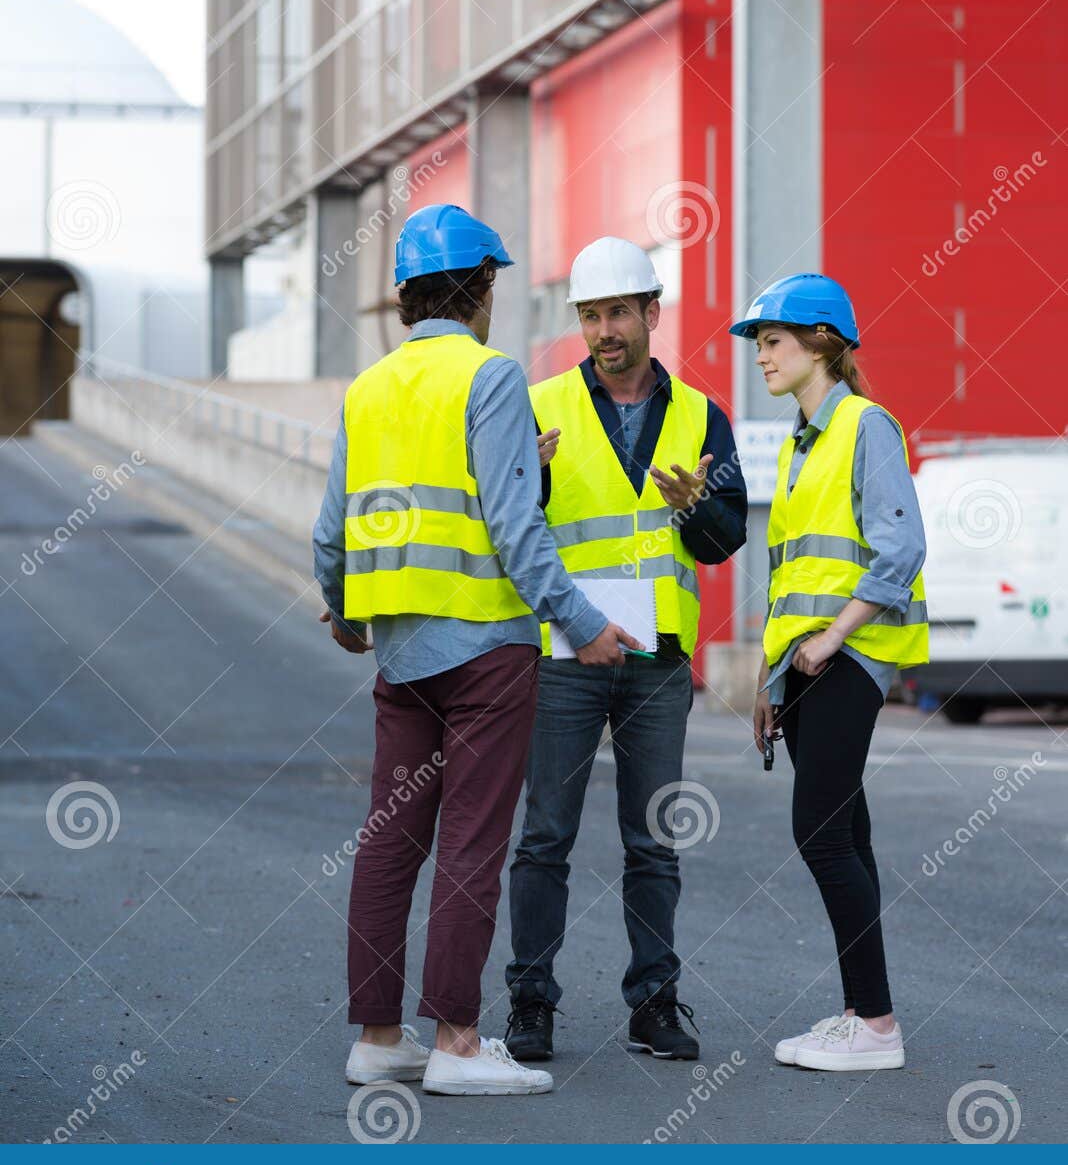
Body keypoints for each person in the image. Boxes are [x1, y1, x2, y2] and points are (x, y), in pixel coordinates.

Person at [313, 204, 641, 1098]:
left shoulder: (369, 387)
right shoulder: (490, 377)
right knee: (471, 841)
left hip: (400, 655)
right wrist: (581, 622)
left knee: (390, 842)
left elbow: (330, 529)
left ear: (409, 297)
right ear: (483, 288)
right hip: (488, 652)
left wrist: (343, 610)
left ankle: (381, 1038)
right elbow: (513, 528)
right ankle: (457, 1043)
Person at [505, 237, 747, 1063]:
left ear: (652, 312)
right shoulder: (536, 409)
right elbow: (510, 531)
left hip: (656, 659)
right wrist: (524, 483)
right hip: (568, 652)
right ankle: (530, 1003)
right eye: (589, 316)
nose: (603, 330)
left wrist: (697, 511)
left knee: (653, 839)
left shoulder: (701, 415)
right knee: (545, 836)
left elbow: (722, 545)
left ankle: (654, 1003)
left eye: (617, 313)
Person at [730, 273, 928, 1072]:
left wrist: (832, 638)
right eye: (758, 345)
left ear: (821, 342)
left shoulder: (864, 425)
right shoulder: (801, 442)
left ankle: (876, 1025)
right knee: (847, 833)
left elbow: (901, 547)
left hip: (849, 654)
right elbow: (788, 580)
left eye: (773, 341)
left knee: (819, 831)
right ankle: (863, 1013)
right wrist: (770, 678)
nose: (762, 357)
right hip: (807, 663)